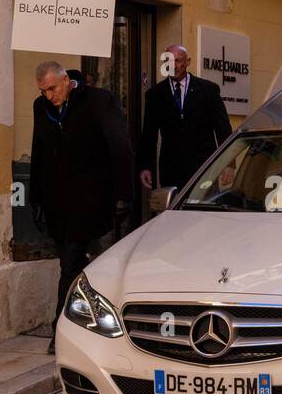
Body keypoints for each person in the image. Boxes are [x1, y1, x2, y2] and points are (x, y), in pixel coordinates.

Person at [30, 61, 133, 353]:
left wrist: (123, 193)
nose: (49, 96)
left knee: (72, 266)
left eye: (52, 88)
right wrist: (35, 197)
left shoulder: (99, 101)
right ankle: (85, 321)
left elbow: (119, 146)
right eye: (43, 91)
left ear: (65, 80)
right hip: (57, 204)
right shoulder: (42, 108)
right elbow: (37, 151)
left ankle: (59, 331)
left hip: (92, 200)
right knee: (74, 266)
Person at [138, 44, 232, 193]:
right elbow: (149, 135)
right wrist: (145, 167)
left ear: (187, 62)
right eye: (169, 61)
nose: (173, 66)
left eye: (178, 61)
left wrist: (228, 163)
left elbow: (223, 129)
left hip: (204, 168)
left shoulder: (208, 90)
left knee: (202, 214)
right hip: (171, 170)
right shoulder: (155, 94)